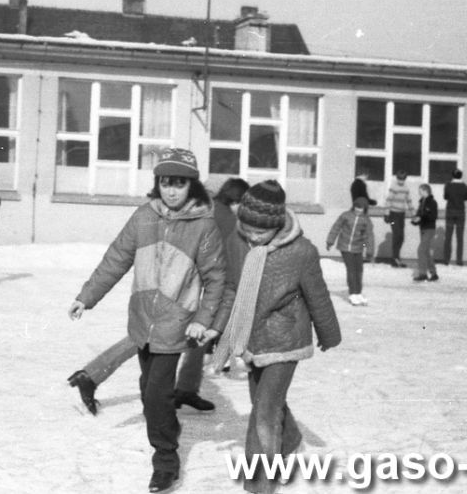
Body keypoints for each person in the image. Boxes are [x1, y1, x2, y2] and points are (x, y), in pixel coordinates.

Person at [68, 147, 226, 493]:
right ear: (158, 183)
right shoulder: (143, 216)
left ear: (192, 186)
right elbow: (116, 258)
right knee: (148, 392)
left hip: (176, 324)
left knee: (156, 395)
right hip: (141, 321)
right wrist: (87, 296)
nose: (172, 191)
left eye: (180, 184)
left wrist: (203, 318)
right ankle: (165, 436)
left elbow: (216, 280)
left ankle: (166, 462)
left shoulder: (204, 226)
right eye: (166, 183)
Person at [66, 177, 249, 416]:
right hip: (187, 284)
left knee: (187, 336)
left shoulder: (209, 208)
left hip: (188, 282)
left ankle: (185, 388)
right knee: (157, 335)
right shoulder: (223, 218)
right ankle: (92, 375)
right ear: (237, 201)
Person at [211, 180, 342, 494]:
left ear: (277, 224)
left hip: (286, 340)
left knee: (264, 412)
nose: (253, 236)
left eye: (260, 232)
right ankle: (292, 440)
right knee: (264, 402)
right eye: (247, 228)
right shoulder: (237, 239)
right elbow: (231, 289)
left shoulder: (301, 252)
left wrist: (329, 333)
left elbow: (318, 295)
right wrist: (219, 329)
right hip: (252, 337)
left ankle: (259, 486)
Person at [326, 196, 375, 305]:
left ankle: (358, 293)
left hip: (357, 248)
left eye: (361, 208)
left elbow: (369, 236)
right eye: (357, 207)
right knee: (351, 269)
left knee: (359, 270)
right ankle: (352, 293)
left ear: (365, 209)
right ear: (353, 207)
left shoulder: (366, 220)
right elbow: (336, 227)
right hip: (345, 246)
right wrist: (330, 241)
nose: (358, 210)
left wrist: (369, 250)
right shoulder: (346, 216)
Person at [384, 170, 413, 267]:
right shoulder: (394, 187)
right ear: (397, 178)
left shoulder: (406, 188)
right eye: (399, 179)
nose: (401, 181)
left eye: (403, 179)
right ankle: (394, 258)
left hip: (401, 215)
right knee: (396, 235)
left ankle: (397, 256)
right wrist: (386, 213)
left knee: (401, 237)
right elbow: (388, 200)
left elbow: (409, 201)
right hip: (392, 215)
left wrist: (413, 214)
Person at [411, 183, 438, 282]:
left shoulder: (432, 202)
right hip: (423, 229)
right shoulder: (422, 202)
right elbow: (419, 214)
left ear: (425, 190)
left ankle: (423, 274)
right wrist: (415, 220)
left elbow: (433, 216)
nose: (419, 192)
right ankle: (434, 273)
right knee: (425, 251)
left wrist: (421, 217)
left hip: (429, 229)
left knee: (421, 250)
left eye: (420, 190)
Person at [443, 169, 467, 265]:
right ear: (461, 176)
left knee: (448, 236)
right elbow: (466, 198)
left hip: (450, 211)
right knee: (460, 237)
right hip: (460, 212)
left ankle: (446, 259)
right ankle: (459, 260)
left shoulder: (448, 185)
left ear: (452, 176)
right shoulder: (464, 186)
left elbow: (445, 197)